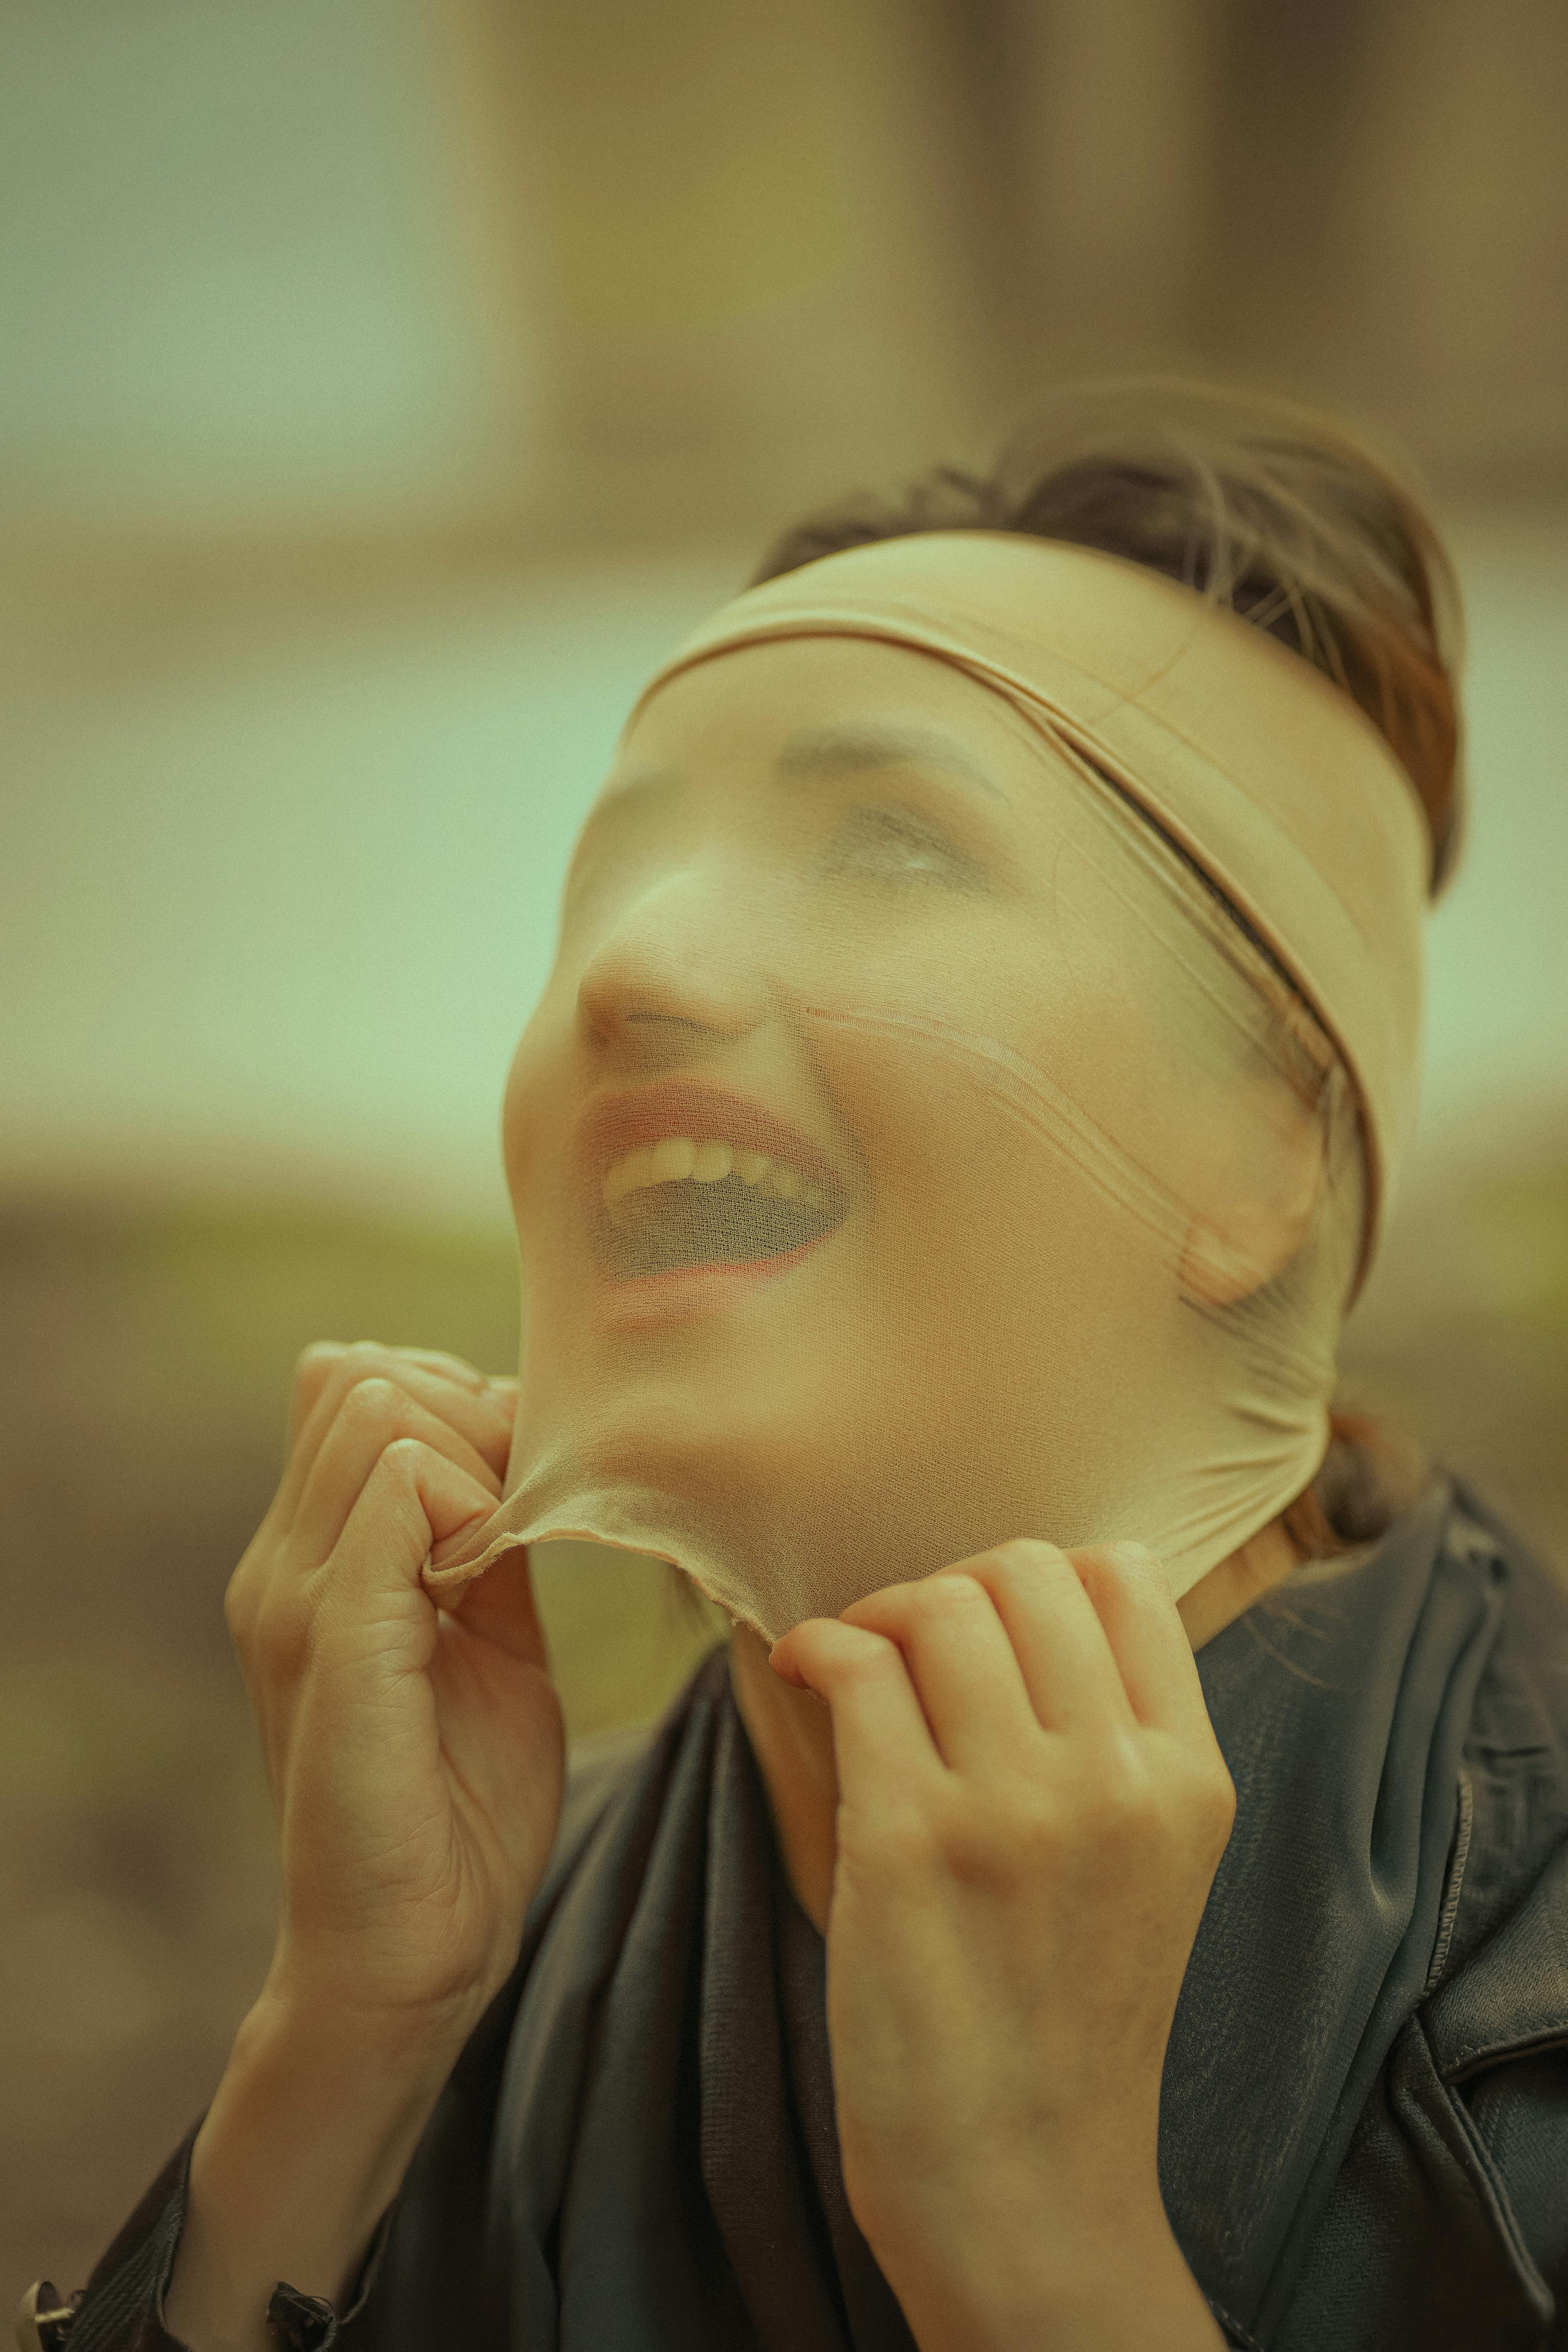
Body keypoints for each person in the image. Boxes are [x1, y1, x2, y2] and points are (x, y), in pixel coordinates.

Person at [21, 378, 1568, 2352]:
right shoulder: (494, 1961)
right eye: (618, 874)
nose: (629, 975)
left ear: (1269, 1144)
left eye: (895, 849)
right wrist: (343, 2044)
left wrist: (1038, 2254)